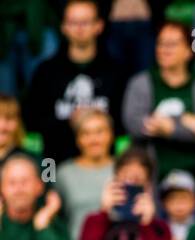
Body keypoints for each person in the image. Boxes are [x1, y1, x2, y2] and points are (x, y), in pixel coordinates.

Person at [121, 21, 195, 212]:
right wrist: (189, 123)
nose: (164, 50)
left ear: (188, 51)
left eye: (172, 44)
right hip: (154, 183)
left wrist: (170, 127)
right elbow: (134, 123)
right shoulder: (141, 83)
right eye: (161, 43)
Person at [22, 0, 125, 164]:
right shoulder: (46, 72)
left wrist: (96, 120)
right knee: (45, 184)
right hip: (53, 160)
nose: (79, 28)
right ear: (63, 27)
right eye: (73, 22)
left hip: (104, 165)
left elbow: (124, 125)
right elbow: (32, 121)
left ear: (99, 26)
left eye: (85, 22)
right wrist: (71, 120)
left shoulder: (117, 72)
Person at [56, 109, 117, 240]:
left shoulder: (124, 170)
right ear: (77, 139)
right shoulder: (63, 173)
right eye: (86, 133)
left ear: (111, 134)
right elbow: (57, 222)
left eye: (100, 131)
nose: (94, 140)